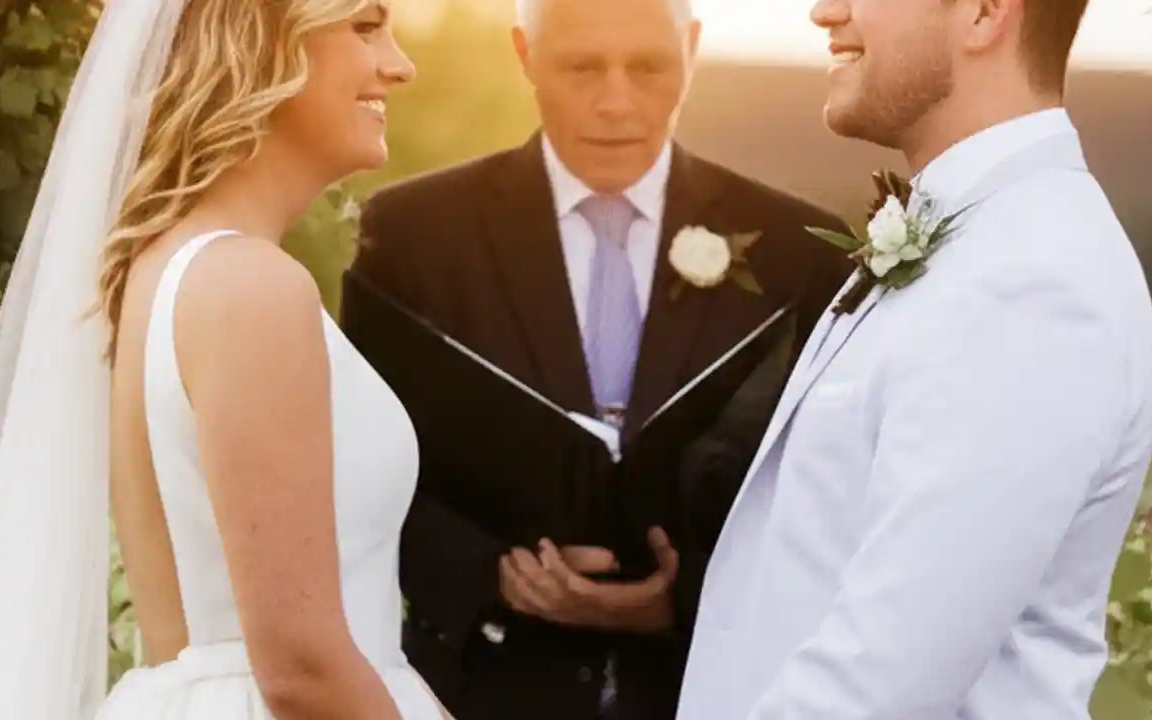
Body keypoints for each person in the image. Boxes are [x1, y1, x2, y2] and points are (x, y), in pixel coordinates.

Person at [0, 1, 446, 718]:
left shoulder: (174, 272)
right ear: (260, 42)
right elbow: (301, 666)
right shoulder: (250, 288)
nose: (401, 66)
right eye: (365, 26)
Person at [344, 0, 850, 717]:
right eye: (583, 67)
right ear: (524, 55)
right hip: (482, 690)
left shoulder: (799, 250)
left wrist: (683, 597)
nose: (616, 102)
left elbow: (825, 487)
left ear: (692, 50)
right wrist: (493, 575)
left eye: (647, 67)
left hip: (701, 693)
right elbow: (360, 465)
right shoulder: (413, 233)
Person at [677, 0, 1152, 717]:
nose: (823, 11)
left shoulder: (1034, 281)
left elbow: (880, 679)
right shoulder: (979, 237)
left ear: (984, 13)